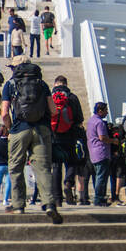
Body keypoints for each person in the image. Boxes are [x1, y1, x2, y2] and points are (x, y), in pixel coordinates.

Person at [0, 61, 63, 224]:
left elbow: (4, 113)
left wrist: (10, 127)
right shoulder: (42, 84)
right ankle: (49, 203)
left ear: (16, 68)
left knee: (15, 167)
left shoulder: (10, 84)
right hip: (41, 130)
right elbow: (54, 110)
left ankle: (18, 205)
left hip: (18, 130)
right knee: (43, 168)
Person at [49, 75, 83, 207]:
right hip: (70, 135)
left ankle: (57, 199)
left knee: (56, 166)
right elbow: (79, 118)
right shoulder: (72, 97)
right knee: (72, 162)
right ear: (66, 84)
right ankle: (68, 183)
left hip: (53, 136)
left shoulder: (50, 97)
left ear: (55, 84)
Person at [87, 101, 113, 206]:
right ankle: (99, 198)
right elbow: (102, 137)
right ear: (100, 110)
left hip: (93, 152)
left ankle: (100, 198)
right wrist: (113, 141)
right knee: (101, 177)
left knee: (99, 176)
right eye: (105, 110)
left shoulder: (91, 121)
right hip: (101, 152)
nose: (107, 112)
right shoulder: (99, 122)